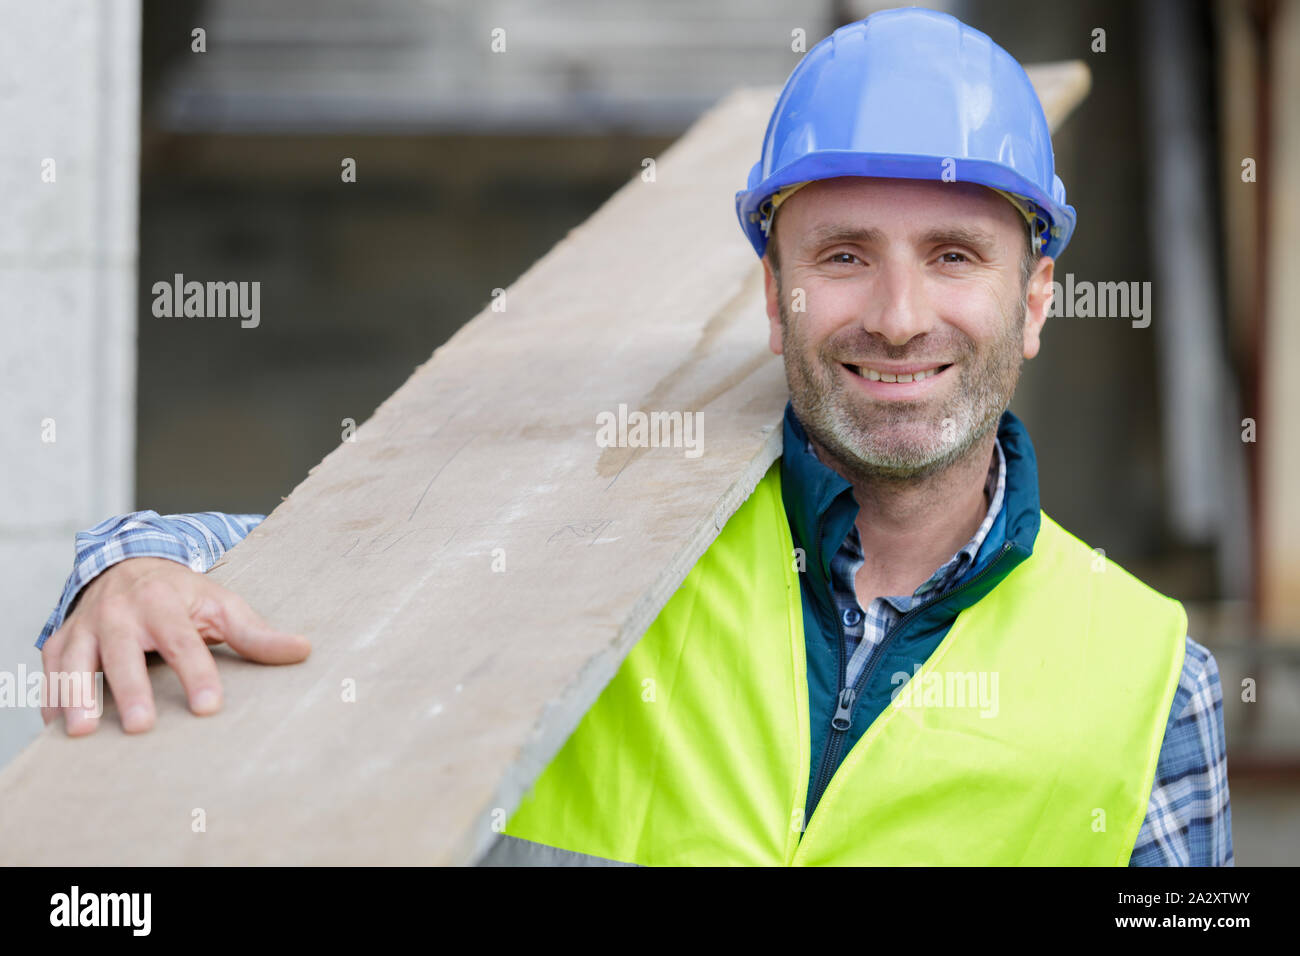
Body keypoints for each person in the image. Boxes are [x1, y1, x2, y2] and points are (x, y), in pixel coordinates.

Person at [34, 8, 1230, 865]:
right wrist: (130, 571)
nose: (901, 315)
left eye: (955, 256)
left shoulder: (1150, 684)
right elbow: (287, 572)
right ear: (774, 296)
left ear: (1034, 299)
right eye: (844, 254)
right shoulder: (589, 549)